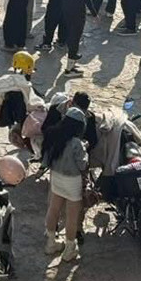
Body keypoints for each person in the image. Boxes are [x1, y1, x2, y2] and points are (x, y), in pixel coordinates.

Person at [41, 94, 93, 261]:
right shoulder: (76, 144)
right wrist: (84, 149)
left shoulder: (53, 135)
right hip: (72, 181)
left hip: (56, 177)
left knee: (53, 209)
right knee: (72, 216)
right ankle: (69, 249)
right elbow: (83, 165)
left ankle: (50, 243)